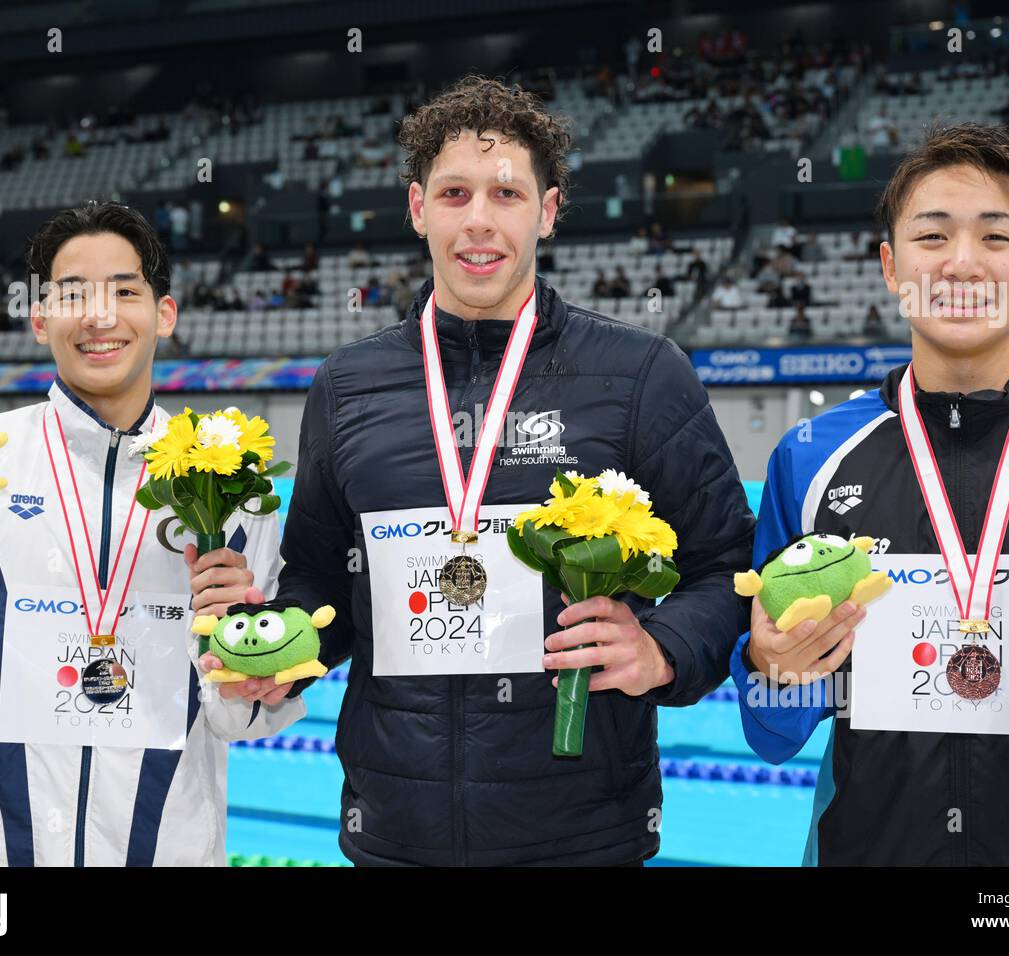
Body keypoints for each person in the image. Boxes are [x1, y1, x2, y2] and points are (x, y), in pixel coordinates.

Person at [236, 75, 755, 866]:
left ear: (546, 211)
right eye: (454, 193)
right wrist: (281, 649)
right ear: (418, 208)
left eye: (506, 194)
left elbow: (724, 564)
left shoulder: (641, 373)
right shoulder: (348, 386)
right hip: (393, 830)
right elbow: (319, 575)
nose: (478, 220)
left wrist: (662, 648)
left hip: (582, 833)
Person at [734, 123, 1009, 865]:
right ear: (892, 267)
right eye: (932, 239)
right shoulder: (811, 459)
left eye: (996, 238)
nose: (961, 263)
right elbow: (772, 734)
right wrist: (777, 672)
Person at [0, 201, 303, 866]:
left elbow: (240, 720)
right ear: (39, 319)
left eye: (125, 291)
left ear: (165, 314)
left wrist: (240, 667)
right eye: (72, 295)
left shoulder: (231, 488)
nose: (99, 316)